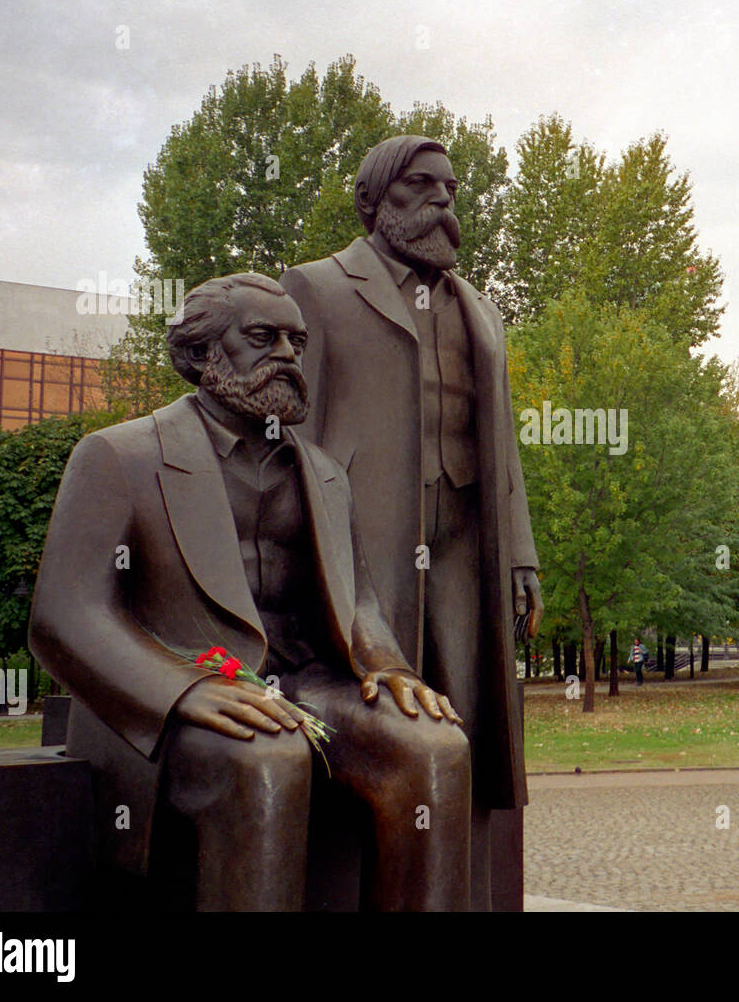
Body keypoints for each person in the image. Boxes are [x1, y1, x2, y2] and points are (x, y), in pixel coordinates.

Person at [29, 272, 472, 911]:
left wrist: (389, 665)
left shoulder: (322, 473)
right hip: (175, 696)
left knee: (436, 748)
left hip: (308, 685)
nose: (288, 356)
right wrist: (183, 689)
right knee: (268, 755)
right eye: (263, 337)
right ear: (202, 353)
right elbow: (65, 614)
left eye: (298, 341)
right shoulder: (119, 456)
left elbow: (360, 601)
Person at [280, 136, 542, 910]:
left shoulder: (479, 310)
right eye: (420, 186)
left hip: (466, 542)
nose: (442, 203)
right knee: (380, 715)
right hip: (364, 544)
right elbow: (290, 427)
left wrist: (520, 553)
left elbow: (502, 448)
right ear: (374, 201)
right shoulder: (317, 288)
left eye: (451, 188)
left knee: (469, 715)